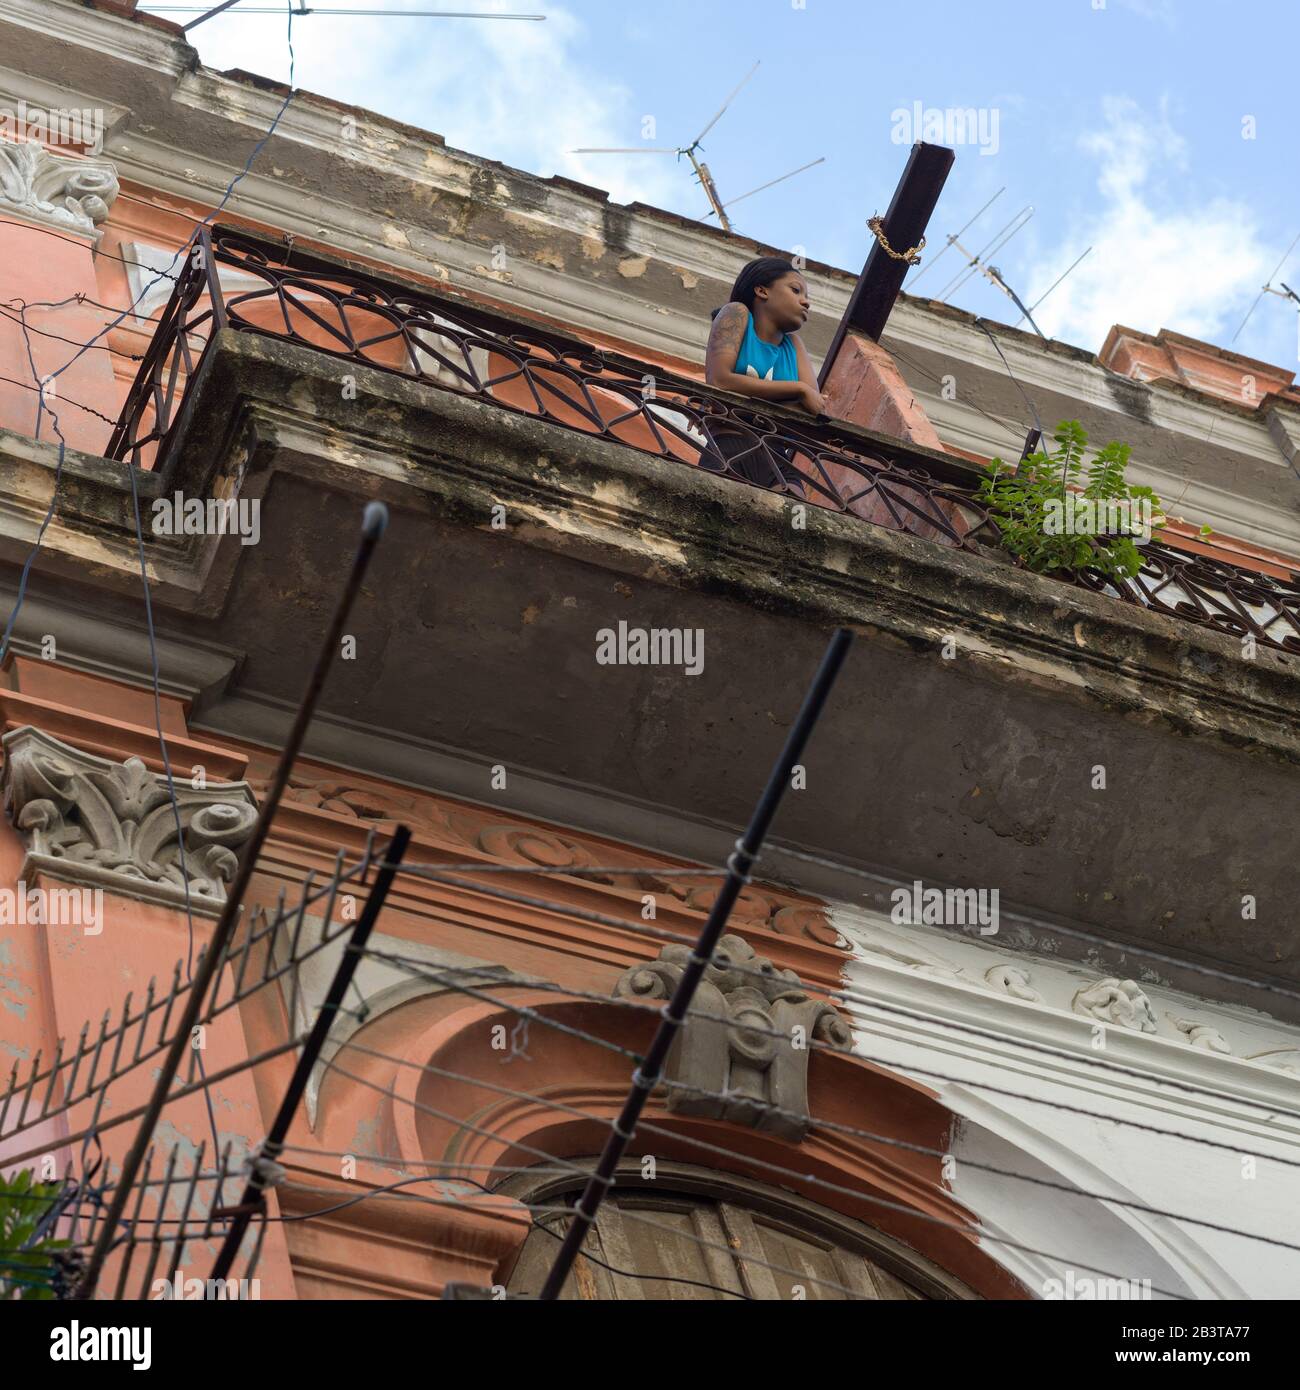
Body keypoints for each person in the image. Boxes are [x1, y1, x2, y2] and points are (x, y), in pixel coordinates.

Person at [703, 257, 825, 489]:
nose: (806, 303)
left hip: (776, 455)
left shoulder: (794, 345)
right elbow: (720, 380)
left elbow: (813, 410)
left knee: (791, 517)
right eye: (796, 290)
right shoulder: (736, 314)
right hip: (729, 443)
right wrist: (796, 390)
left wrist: (742, 391)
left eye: (807, 297)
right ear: (761, 290)